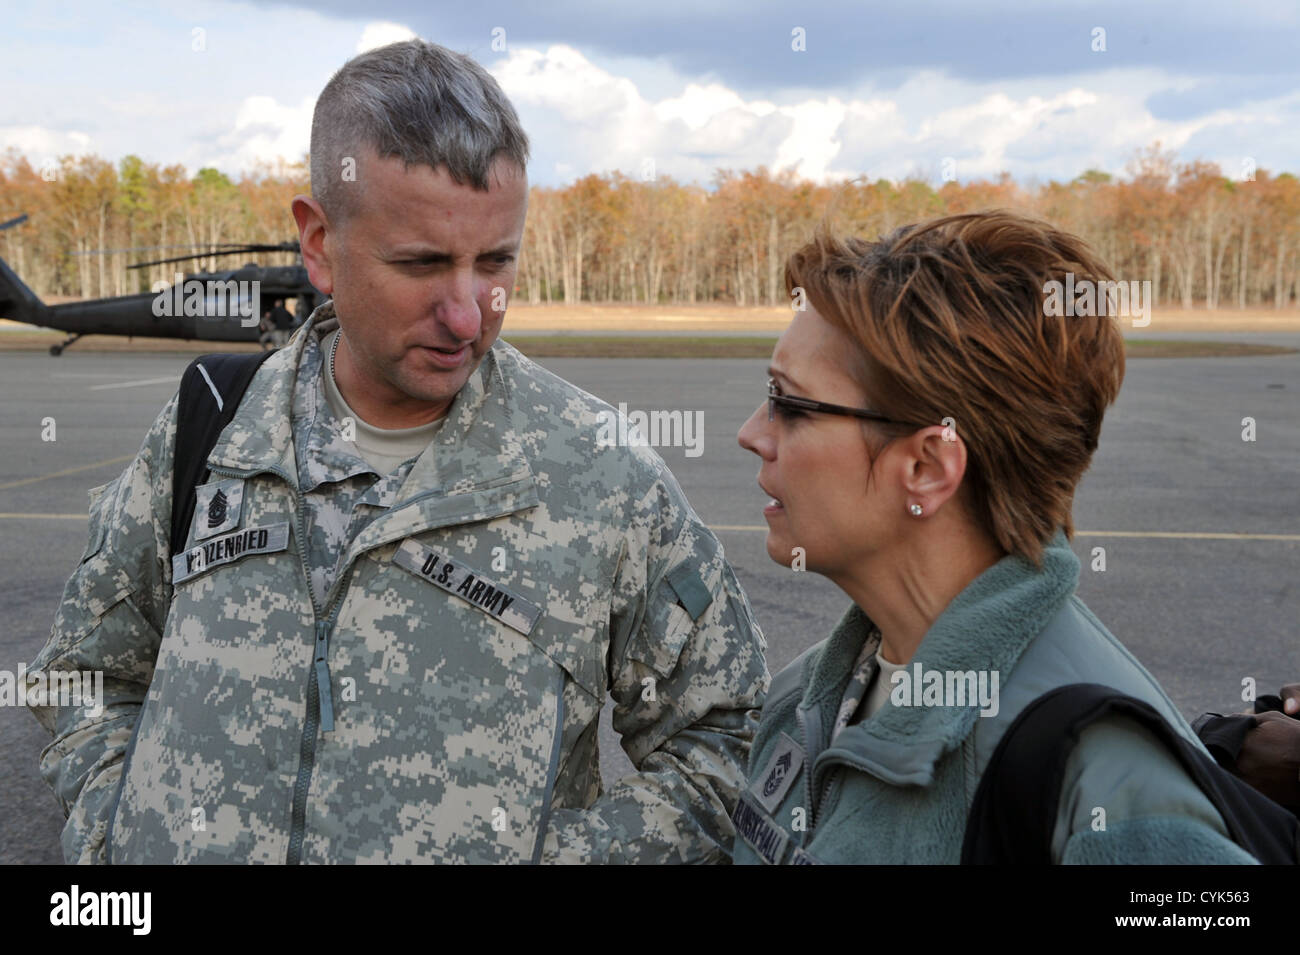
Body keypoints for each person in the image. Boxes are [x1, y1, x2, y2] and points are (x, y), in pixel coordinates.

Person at [27, 39, 768, 864]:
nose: (466, 314)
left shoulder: (600, 474)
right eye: (421, 264)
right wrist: (119, 834)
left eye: (495, 262)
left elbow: (730, 745)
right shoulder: (213, 430)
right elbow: (81, 673)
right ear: (318, 244)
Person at [731, 210, 1260, 864]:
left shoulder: (1099, 787)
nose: (752, 431)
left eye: (790, 402)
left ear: (927, 466)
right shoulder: (806, 698)